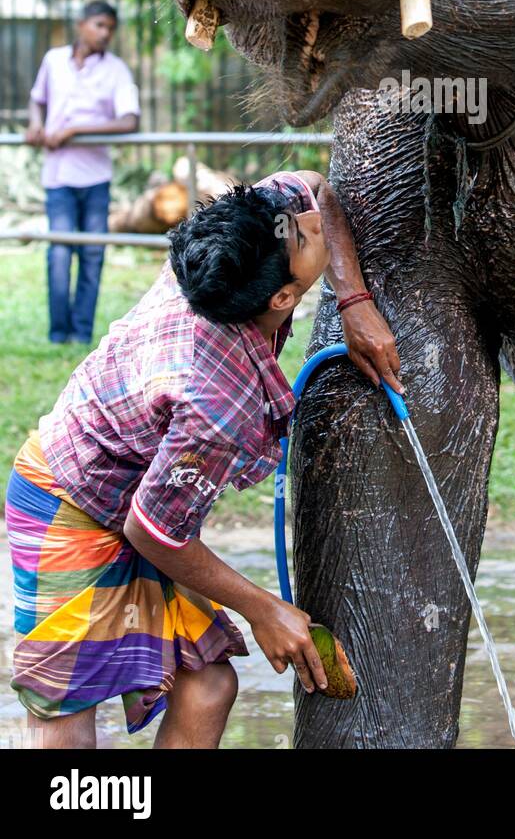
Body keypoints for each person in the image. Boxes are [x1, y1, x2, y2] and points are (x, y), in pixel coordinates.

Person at [5, 168, 402, 749]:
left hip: (135, 495)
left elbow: (318, 188)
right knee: (69, 711)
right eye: (306, 238)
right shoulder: (217, 403)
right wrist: (264, 610)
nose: (312, 223)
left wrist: (354, 299)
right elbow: (155, 532)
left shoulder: (232, 250)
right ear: (283, 299)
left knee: (209, 685)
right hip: (69, 500)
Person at [25, 0, 140, 344]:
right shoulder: (53, 60)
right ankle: (58, 333)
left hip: (95, 177)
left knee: (92, 252)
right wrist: (35, 124)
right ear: (82, 24)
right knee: (59, 252)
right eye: (99, 25)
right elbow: (37, 99)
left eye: (110, 28)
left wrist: (76, 130)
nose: (104, 33)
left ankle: (81, 333)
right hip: (58, 176)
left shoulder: (116, 70)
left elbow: (129, 121)